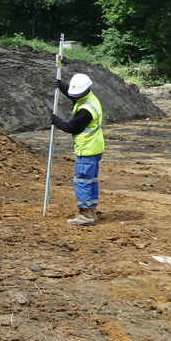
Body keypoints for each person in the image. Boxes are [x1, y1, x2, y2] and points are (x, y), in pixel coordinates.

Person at [50, 73, 105, 226]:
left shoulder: (86, 110)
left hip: (87, 149)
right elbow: (75, 96)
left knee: (82, 181)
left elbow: (71, 127)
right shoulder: (90, 98)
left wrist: (56, 120)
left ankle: (85, 215)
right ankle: (92, 210)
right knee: (91, 180)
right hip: (95, 147)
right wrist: (63, 87)